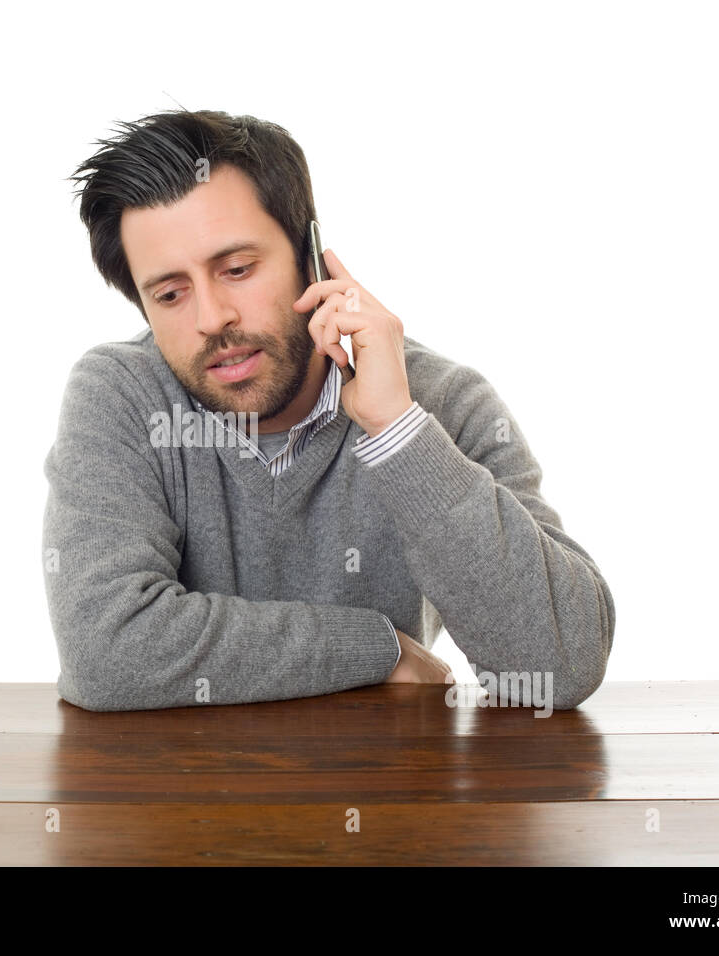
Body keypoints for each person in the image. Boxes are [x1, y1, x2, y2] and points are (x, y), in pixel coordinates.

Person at [43, 108, 614, 712]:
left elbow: (560, 665)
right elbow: (105, 653)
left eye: (237, 269)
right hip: (184, 800)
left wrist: (397, 431)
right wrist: (378, 649)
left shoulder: (441, 404)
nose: (212, 319)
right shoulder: (121, 397)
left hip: (394, 794)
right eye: (170, 293)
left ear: (309, 257)